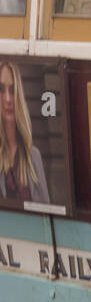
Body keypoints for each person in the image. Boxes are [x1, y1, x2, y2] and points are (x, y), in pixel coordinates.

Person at [0, 61, 49, 203]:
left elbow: (45, 213)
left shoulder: (33, 156)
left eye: (12, 90)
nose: (8, 99)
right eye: (1, 89)